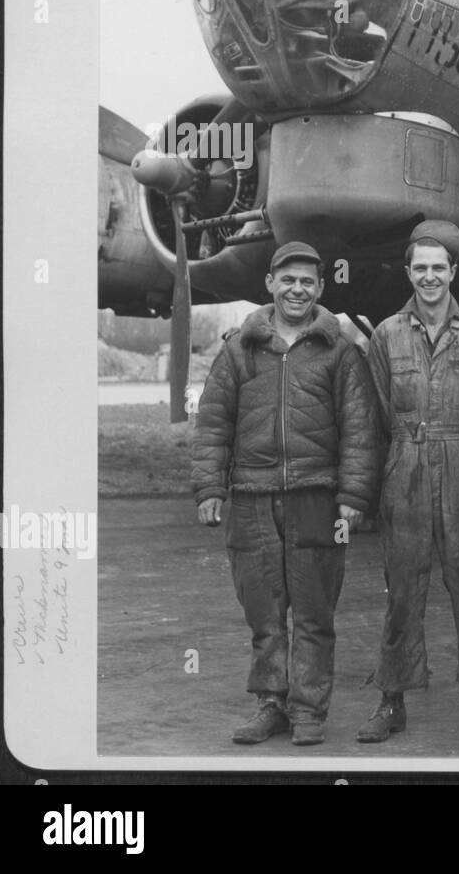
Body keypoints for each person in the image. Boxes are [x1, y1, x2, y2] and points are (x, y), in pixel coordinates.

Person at [193, 241, 378, 747]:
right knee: (265, 614)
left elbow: (359, 428)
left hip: (316, 498)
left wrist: (353, 497)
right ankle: (270, 705)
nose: (297, 289)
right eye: (288, 280)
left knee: (315, 614)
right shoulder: (238, 349)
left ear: (320, 289)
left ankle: (309, 710)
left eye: (307, 282)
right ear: (270, 284)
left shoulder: (339, 350)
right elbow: (213, 423)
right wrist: (210, 485)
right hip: (251, 497)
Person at [358, 220, 459, 742]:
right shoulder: (385, 336)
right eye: (420, 268)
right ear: (408, 272)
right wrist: (407, 451)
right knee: (403, 589)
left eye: (438, 268)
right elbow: (377, 411)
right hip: (404, 465)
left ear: (453, 272)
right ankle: (391, 698)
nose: (429, 277)